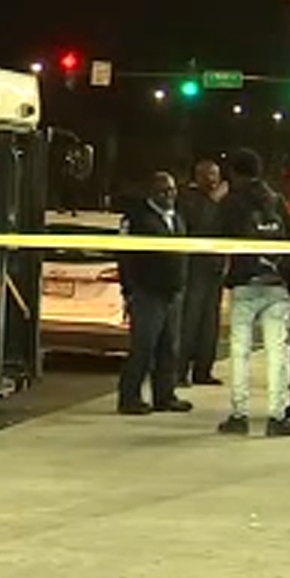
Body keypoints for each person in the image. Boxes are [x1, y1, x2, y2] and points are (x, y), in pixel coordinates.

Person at [216, 149, 290, 437]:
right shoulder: (276, 201)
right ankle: (277, 416)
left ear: (234, 173)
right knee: (277, 352)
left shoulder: (231, 203)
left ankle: (239, 415)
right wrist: (288, 279)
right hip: (276, 286)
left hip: (245, 284)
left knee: (239, 352)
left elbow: (213, 237)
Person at [116, 169, 192, 415]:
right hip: (147, 293)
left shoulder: (176, 218)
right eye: (163, 191)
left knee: (169, 347)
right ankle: (130, 397)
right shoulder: (137, 219)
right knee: (144, 347)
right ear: (151, 193)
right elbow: (125, 257)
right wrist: (130, 290)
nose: (169, 195)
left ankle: (165, 395)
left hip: (172, 292)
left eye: (172, 190)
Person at [175, 157, 228, 386]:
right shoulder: (188, 200)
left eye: (216, 175)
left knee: (210, 323)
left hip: (214, 268)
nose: (213, 180)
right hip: (194, 267)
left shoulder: (221, 202)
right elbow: (197, 227)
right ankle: (179, 371)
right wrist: (213, 202)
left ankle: (203, 370)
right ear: (198, 177)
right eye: (209, 175)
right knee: (190, 321)